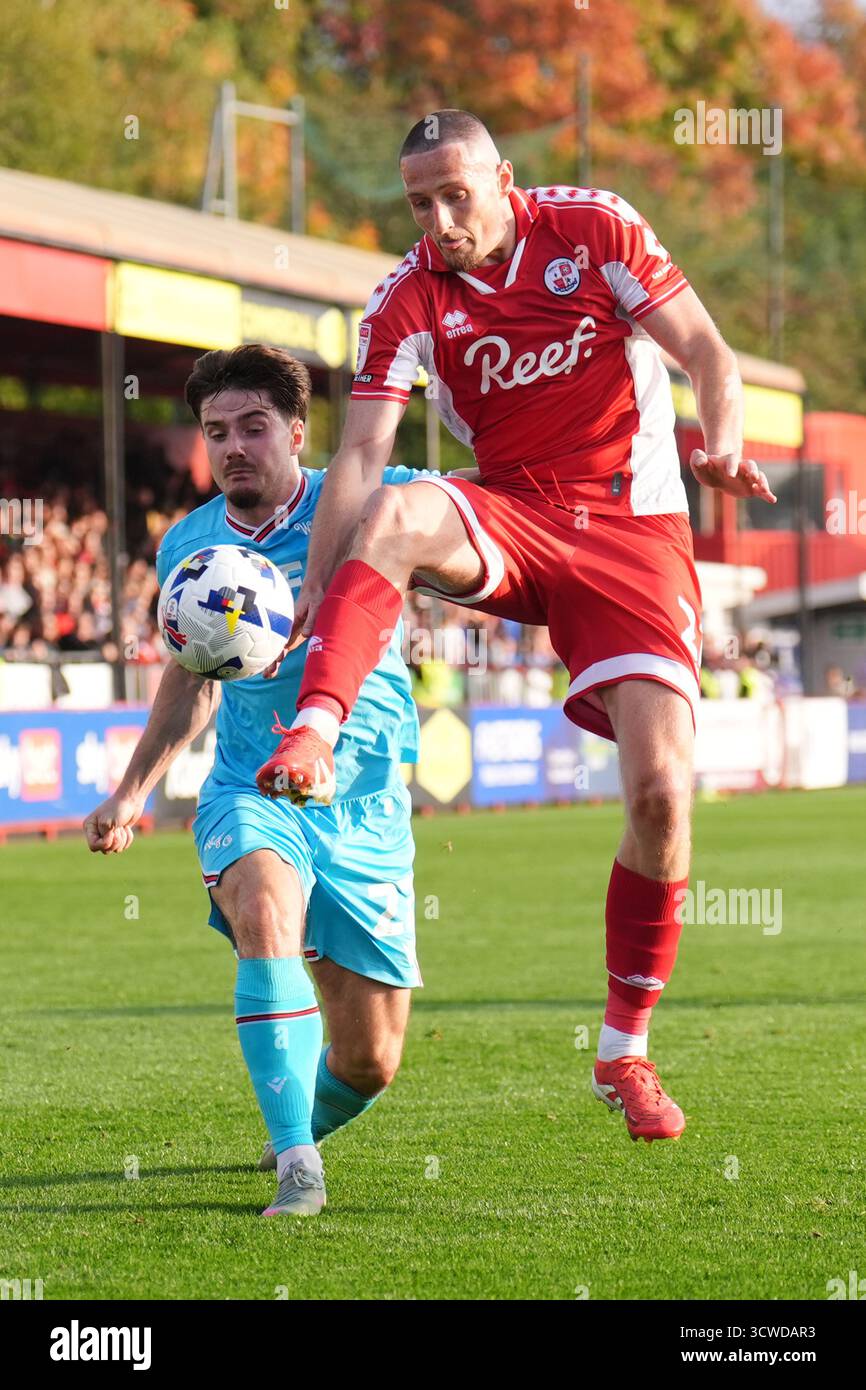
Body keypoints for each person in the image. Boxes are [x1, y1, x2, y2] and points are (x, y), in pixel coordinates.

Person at [255, 109, 777, 1144]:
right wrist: (313, 596)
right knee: (398, 511)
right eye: (418, 203)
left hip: (633, 533)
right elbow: (360, 458)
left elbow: (708, 354)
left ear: (504, 178)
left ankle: (622, 1046)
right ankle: (315, 724)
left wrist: (720, 444)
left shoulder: (593, 230)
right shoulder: (404, 297)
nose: (439, 220)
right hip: (513, 519)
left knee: (662, 796)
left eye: (455, 194)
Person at [83, 344, 435, 1217]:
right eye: (216, 431)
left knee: (369, 1061)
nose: (233, 445)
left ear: (297, 430)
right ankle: (296, 1167)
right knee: (265, 913)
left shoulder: (369, 503)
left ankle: (300, 1123)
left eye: (252, 426)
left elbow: (484, 509)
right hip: (254, 788)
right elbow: (189, 678)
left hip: (365, 804)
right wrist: (133, 788)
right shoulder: (188, 545)